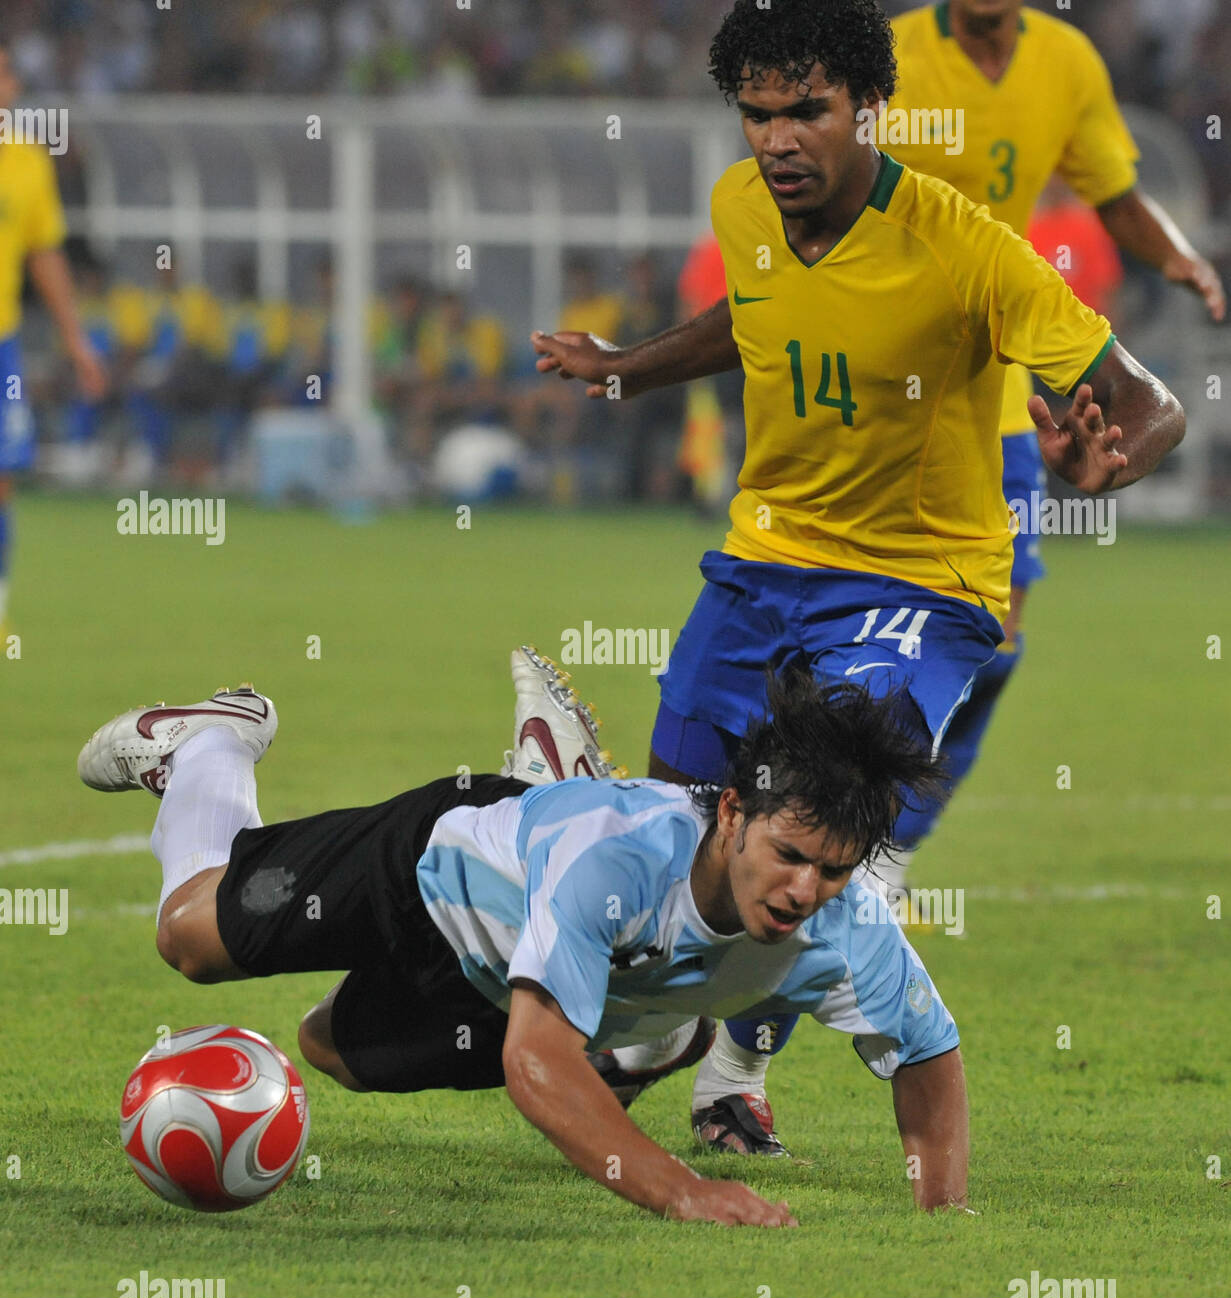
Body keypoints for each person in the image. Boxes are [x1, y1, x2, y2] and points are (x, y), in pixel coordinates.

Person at [525, 0, 1187, 1155]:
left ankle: (735, 1062)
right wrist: (625, 370)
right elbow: (754, 318)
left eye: (807, 112)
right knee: (690, 828)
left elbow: (1148, 401)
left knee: (813, 814)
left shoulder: (964, 244)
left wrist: (1108, 459)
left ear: (868, 108)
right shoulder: (744, 207)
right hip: (766, 556)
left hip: (921, 583)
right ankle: (664, 1033)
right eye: (757, 114)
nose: (777, 140)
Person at [77, 667, 967, 1226]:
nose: (804, 891)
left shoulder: (843, 928)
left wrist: (942, 1215)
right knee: (189, 940)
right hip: (432, 869)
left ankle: (649, 1018)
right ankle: (212, 744)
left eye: (833, 871)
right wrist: (685, 1194)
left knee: (328, 1051)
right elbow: (536, 1066)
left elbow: (926, 1053)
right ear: (732, 812)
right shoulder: (614, 861)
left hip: (498, 983)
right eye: (788, 856)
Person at [878, 0, 1225, 882]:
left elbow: (1113, 191)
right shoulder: (888, 56)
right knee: (861, 615)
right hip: (882, 375)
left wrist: (1174, 256)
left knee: (995, 635)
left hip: (991, 386)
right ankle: (796, 826)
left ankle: (888, 847)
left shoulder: (1065, 62)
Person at [0, 39, 106, 640]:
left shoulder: (27, 158)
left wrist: (76, 341)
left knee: (3, 478)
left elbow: (45, 253)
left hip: (2, 345)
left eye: (7, 75)